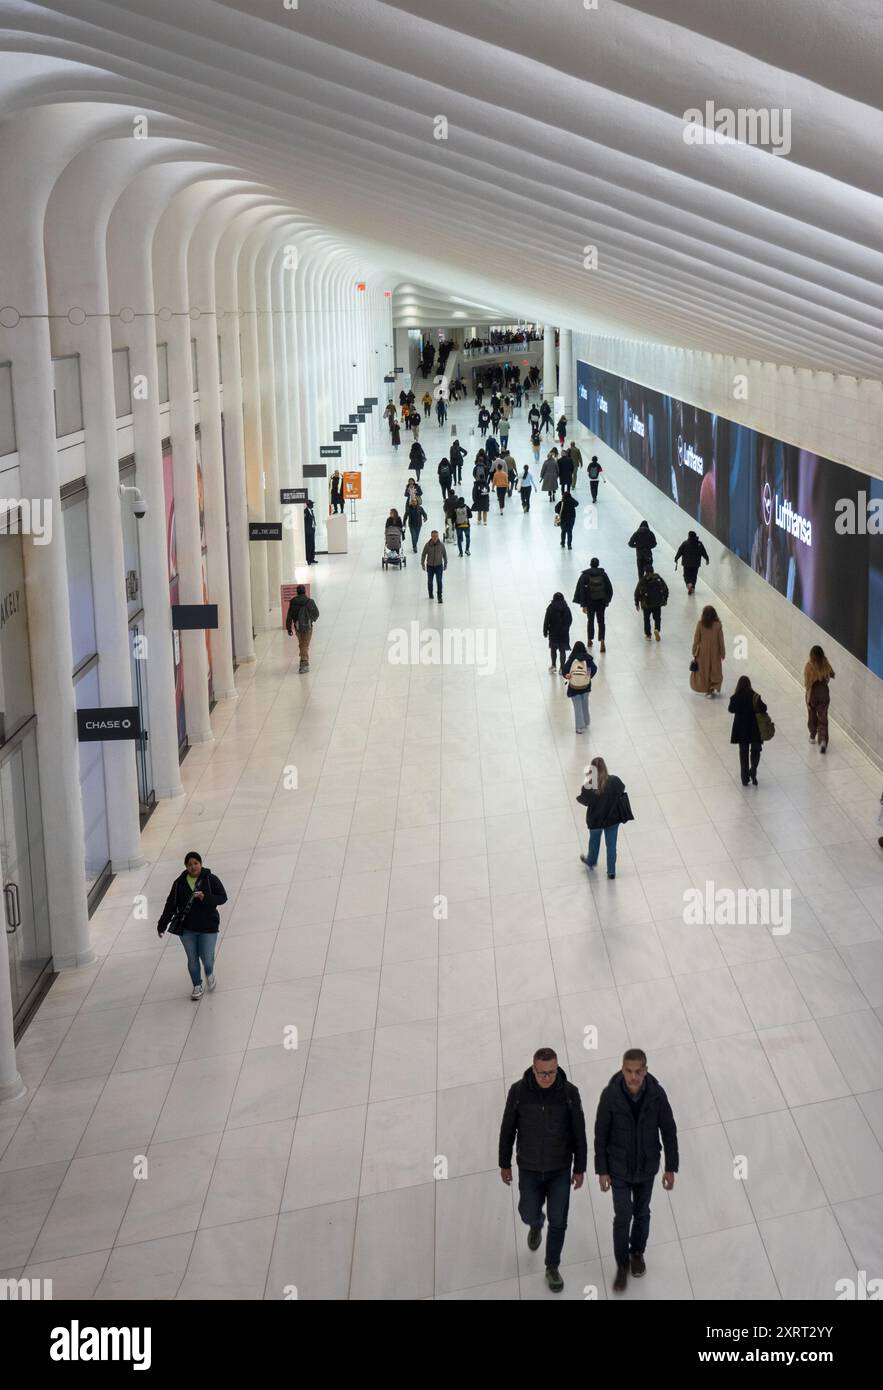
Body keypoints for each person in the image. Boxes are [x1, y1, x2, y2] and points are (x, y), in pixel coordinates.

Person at [498, 1047, 588, 1294]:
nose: (548, 1078)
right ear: (533, 1069)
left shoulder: (570, 1094)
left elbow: (579, 1133)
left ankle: (552, 1267)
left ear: (557, 1068)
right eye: (543, 1073)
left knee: (559, 1221)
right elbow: (508, 1129)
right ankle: (536, 1223)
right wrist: (504, 1163)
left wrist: (579, 1168)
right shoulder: (518, 1092)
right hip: (529, 1168)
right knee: (527, 1211)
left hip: (559, 1169)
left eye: (552, 1072)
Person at [593, 1049, 679, 1293]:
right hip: (619, 1169)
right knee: (623, 1217)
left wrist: (670, 1167)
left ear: (646, 1070)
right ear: (622, 1070)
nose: (633, 1076)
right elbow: (601, 1135)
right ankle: (622, 1265)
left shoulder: (657, 1095)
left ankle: (637, 1253)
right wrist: (602, 1170)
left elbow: (669, 1131)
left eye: (638, 1071)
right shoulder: (610, 1096)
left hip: (646, 1168)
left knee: (642, 1213)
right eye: (629, 1071)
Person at [157, 851, 228, 1000]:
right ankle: (197, 984)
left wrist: (205, 897)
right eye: (190, 864)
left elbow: (222, 898)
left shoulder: (210, 879)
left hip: (208, 926)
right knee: (192, 958)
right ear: (186, 867)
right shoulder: (179, 884)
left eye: (196, 863)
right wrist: (162, 924)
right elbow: (170, 905)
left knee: (207, 958)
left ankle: (209, 973)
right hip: (187, 928)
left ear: (201, 864)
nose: (193, 866)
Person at [576, 755, 633, 876]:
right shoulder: (614, 780)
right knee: (611, 845)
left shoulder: (588, 787)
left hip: (595, 820)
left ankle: (591, 861)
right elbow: (621, 789)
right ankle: (611, 871)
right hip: (613, 819)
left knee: (594, 842)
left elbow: (584, 801)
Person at [728, 674, 768, 786]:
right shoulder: (755, 696)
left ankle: (744, 779)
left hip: (741, 731)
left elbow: (731, 709)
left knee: (743, 753)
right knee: (756, 751)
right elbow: (764, 708)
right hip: (754, 729)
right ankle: (753, 770)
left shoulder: (735, 697)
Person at [574, 557, 613, 652]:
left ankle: (589, 639)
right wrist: (606, 601)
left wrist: (583, 605)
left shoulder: (584, 576)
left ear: (590, 564)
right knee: (601, 621)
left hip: (590, 602)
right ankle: (602, 639)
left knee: (590, 621)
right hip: (601, 602)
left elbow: (581, 591)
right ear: (598, 564)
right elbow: (610, 589)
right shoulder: (603, 575)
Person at [561, 640, 597, 734]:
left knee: (577, 707)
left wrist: (567, 675)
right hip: (585, 686)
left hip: (574, 687)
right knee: (585, 705)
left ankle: (579, 727)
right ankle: (586, 721)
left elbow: (564, 670)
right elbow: (594, 668)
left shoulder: (572, 659)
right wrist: (588, 675)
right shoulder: (588, 659)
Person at [804, 645, 834, 753]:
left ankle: (812, 736)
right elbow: (829, 677)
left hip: (813, 695)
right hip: (824, 692)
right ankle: (823, 741)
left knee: (812, 716)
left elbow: (809, 686)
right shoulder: (825, 662)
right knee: (823, 717)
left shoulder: (809, 666)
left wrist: (808, 700)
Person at [690, 605, 725, 697]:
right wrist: (722, 652)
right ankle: (712, 688)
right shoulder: (718, 625)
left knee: (703, 671)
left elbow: (696, 639)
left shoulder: (700, 624)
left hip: (702, 653)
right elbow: (721, 640)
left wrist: (694, 651)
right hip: (715, 652)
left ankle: (706, 689)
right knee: (714, 670)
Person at [285, 582, 320, 673]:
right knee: (305, 644)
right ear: (305, 592)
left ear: (297, 592)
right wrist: (311, 620)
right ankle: (304, 664)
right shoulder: (310, 602)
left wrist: (289, 628)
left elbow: (289, 616)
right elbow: (316, 613)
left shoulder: (293, 602)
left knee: (302, 643)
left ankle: (303, 656)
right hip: (308, 627)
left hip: (298, 627)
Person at [634, 566, 668, 641]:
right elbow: (666, 589)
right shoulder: (658, 578)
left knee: (646, 619)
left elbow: (637, 592)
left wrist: (636, 603)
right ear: (653, 570)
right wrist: (665, 599)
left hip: (646, 603)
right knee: (657, 618)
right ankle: (657, 629)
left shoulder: (643, 579)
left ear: (645, 571)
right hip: (657, 602)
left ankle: (648, 635)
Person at [674, 530, 710, 594]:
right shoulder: (699, 544)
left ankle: (689, 584)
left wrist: (676, 558)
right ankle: (693, 587)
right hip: (696, 564)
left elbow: (680, 552)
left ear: (689, 536)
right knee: (694, 575)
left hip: (686, 563)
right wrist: (707, 559)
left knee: (686, 575)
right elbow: (704, 552)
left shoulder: (685, 543)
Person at [543, 592, 572, 672]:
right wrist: (566, 628)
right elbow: (570, 620)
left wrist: (545, 632)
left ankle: (554, 665)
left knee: (553, 650)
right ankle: (562, 668)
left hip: (553, 633)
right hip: (563, 634)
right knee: (562, 651)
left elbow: (546, 621)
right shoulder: (566, 608)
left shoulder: (550, 608)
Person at [421, 529, 447, 602]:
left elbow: (444, 555)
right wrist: (422, 564)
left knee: (439, 581)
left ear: (438, 536)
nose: (435, 538)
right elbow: (423, 554)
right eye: (433, 536)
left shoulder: (441, 545)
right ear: (431, 537)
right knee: (430, 582)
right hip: (430, 567)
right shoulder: (427, 545)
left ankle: (439, 596)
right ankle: (430, 593)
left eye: (436, 536)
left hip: (439, 566)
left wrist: (445, 564)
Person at [303, 497, 317, 564]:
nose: (313, 505)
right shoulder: (305, 511)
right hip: (308, 532)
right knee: (308, 546)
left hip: (312, 530)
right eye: (312, 504)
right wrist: (306, 530)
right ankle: (308, 559)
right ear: (309, 505)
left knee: (312, 545)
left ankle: (312, 558)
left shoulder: (311, 511)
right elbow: (304, 522)